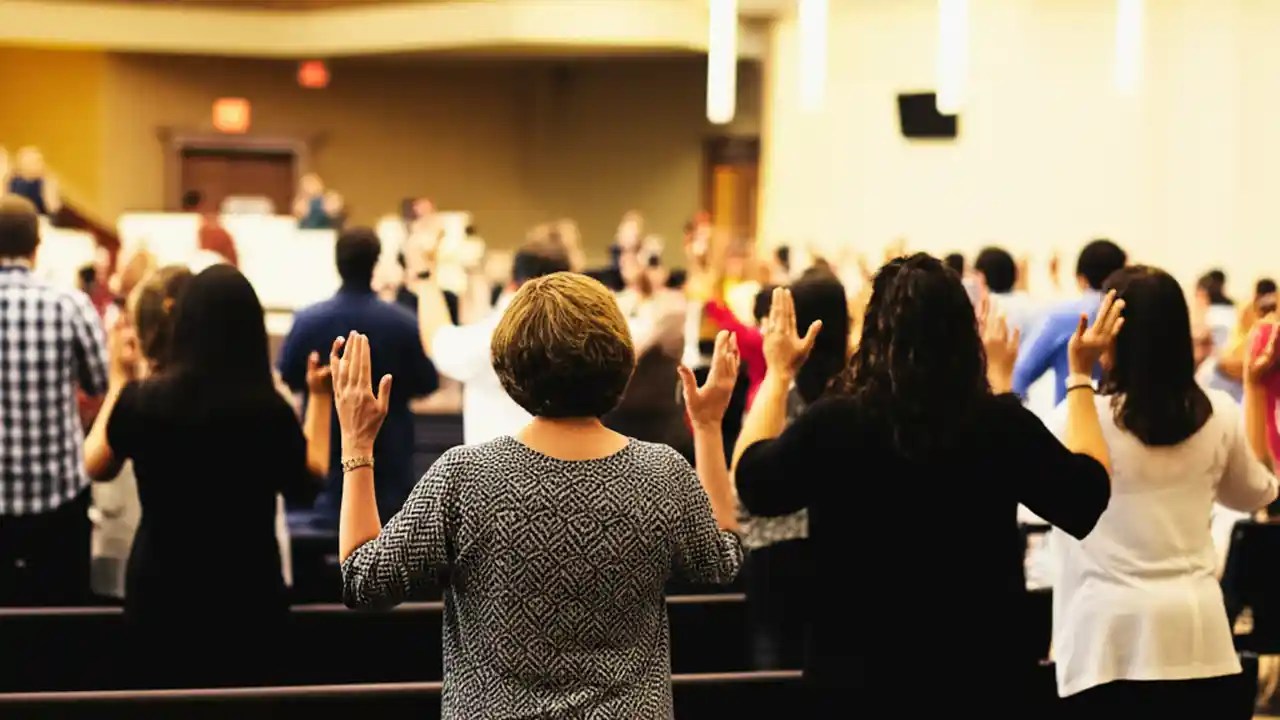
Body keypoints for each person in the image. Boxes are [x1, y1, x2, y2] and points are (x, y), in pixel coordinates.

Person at [336, 272, 743, 717]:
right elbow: (721, 563)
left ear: (509, 366)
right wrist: (707, 427)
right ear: (619, 361)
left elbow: (366, 582)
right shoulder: (662, 474)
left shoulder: (465, 477)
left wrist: (357, 445)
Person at [733, 253, 1117, 713]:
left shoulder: (837, 422)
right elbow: (1085, 499)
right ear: (964, 334)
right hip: (979, 678)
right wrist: (1079, 379)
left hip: (857, 679)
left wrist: (778, 375)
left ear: (874, 332)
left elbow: (754, 481)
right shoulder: (998, 425)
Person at [81, 265, 324, 686]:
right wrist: (319, 400)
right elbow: (307, 483)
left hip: (160, 591)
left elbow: (96, 465)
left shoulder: (146, 400)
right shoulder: (268, 412)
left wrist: (120, 377)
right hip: (248, 594)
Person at [1051, 266, 1277, 717]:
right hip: (1198, 639)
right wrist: (1254, 388)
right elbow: (1259, 491)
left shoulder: (1076, 416)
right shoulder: (1218, 413)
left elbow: (1064, 497)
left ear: (1110, 334)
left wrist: (1079, 376)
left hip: (1105, 644)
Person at [279, 227, 438, 524]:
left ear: (337, 263)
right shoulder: (402, 322)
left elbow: (288, 374)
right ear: (375, 263)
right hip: (388, 469)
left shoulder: (307, 321)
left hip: (324, 467)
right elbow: (427, 382)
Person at [738, 269, 849, 671]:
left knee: (775, 680)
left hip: (773, 556)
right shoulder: (857, 390)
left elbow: (744, 488)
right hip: (842, 555)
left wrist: (776, 371)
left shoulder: (776, 392)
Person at [0, 195, 107, 605]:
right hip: (57, 499)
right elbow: (100, 384)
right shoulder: (69, 304)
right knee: (61, 625)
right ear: (36, 244)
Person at [418, 237, 570, 445]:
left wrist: (424, 274)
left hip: (498, 472)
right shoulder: (580, 335)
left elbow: (436, 341)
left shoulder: (498, 334)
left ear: (512, 282)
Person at [1014, 239, 1127, 404]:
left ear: (1081, 278)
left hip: (1071, 420)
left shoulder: (1060, 316)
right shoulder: (1136, 312)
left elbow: (1021, 373)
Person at [6, 147, 61, 217]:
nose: (41, 164)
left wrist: (49, 187)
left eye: (40, 161)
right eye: (36, 161)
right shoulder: (12, 181)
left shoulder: (46, 182)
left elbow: (52, 209)